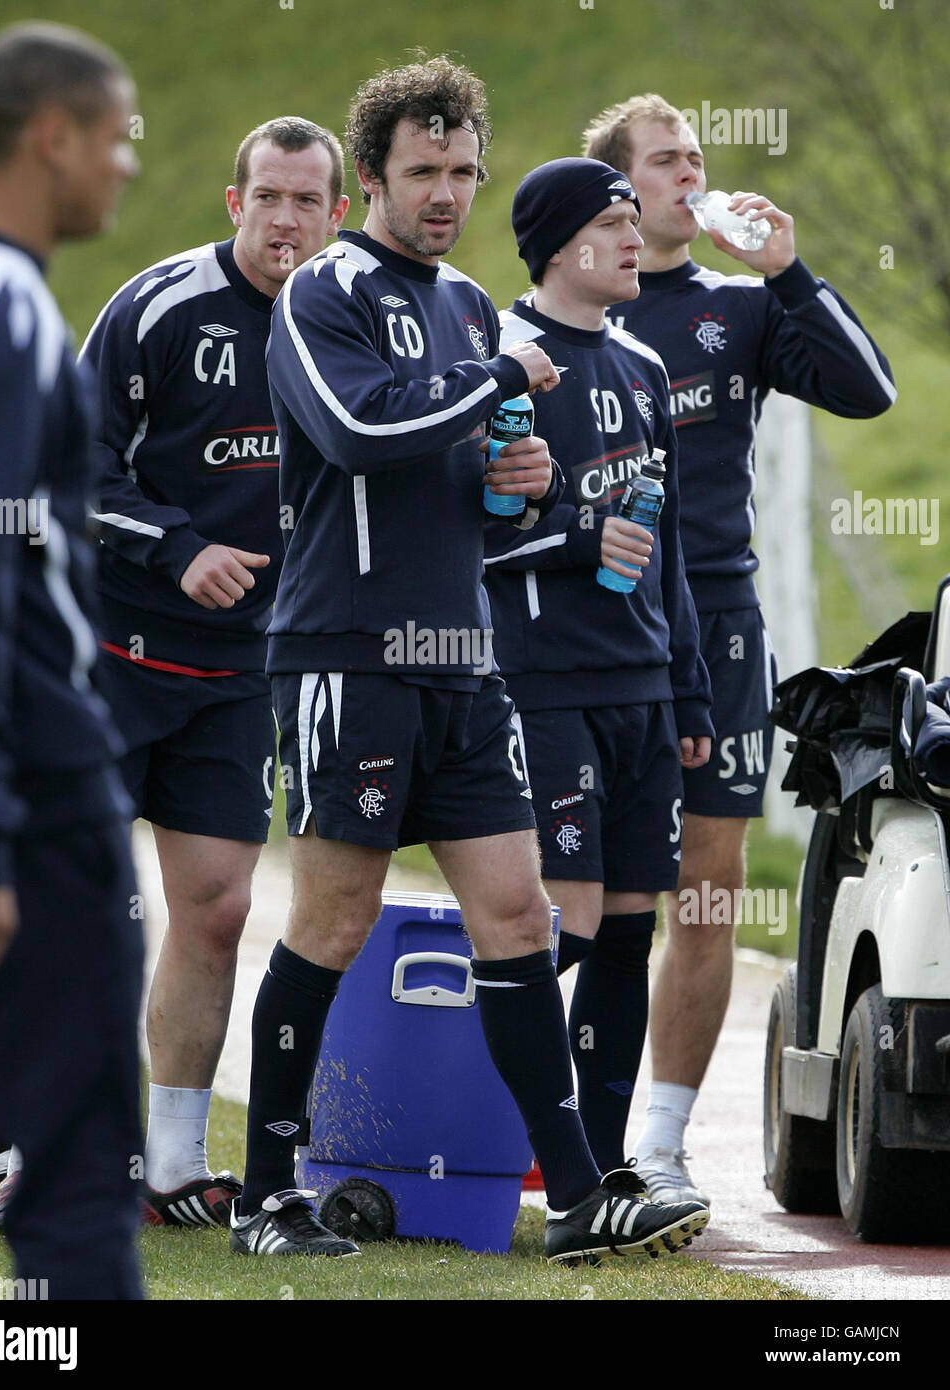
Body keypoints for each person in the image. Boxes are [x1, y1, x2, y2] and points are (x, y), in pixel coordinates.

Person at [232, 56, 711, 1264]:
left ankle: (582, 1194)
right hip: (349, 650)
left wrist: (517, 487)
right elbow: (356, 429)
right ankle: (265, 1195)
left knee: (516, 910)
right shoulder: (325, 288)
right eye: (420, 172)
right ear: (372, 182)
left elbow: (471, 478)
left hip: (465, 659)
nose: (444, 194)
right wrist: (495, 380)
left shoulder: (464, 303)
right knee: (331, 922)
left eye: (461, 172)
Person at [582, 93, 896, 1204]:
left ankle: (660, 1149)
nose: (689, 172)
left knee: (704, 893)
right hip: (587, 625)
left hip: (715, 625)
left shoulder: (738, 307)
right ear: (618, 188)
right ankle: (563, 1136)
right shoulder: (572, 312)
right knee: (574, 895)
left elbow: (868, 388)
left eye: (695, 157)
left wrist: (789, 271)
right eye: (665, 159)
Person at [79, 118, 348, 1226]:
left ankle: (173, 1164)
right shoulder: (158, 309)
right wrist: (175, 547)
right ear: (233, 203)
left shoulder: (354, 325)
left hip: (242, 675)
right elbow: (64, 468)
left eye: (307, 201)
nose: (286, 220)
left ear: (338, 213)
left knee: (218, 907)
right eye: (268, 197)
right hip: (101, 654)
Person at [0, 22, 144, 1298]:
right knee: (76, 1188)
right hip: (21, 791)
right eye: (114, 139)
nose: (124, 168)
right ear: (49, 134)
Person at [482, 158, 713, 1177]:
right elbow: (467, 536)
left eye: (633, 220)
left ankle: (605, 1164)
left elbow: (667, 552)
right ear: (559, 244)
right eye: (613, 222)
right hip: (542, 683)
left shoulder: (643, 367)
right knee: (558, 921)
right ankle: (430, 1100)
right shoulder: (498, 353)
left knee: (627, 929)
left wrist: (690, 684)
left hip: (641, 690)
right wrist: (579, 535)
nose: (634, 239)